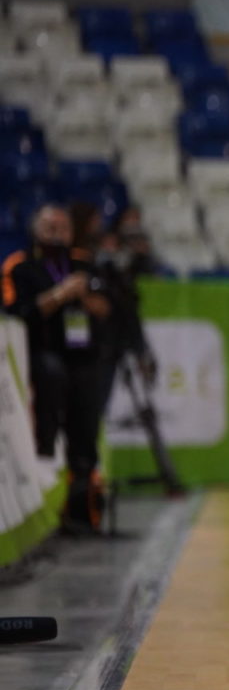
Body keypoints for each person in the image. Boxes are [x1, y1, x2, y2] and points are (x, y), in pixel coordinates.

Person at [1, 204, 112, 533]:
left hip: (82, 356)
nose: (57, 232)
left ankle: (83, 509)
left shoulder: (82, 262)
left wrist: (83, 296)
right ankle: (47, 463)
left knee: (86, 431)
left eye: (62, 226)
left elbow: (106, 307)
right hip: (42, 356)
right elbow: (18, 314)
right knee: (52, 377)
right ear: (36, 229)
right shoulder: (20, 267)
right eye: (50, 226)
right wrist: (60, 295)